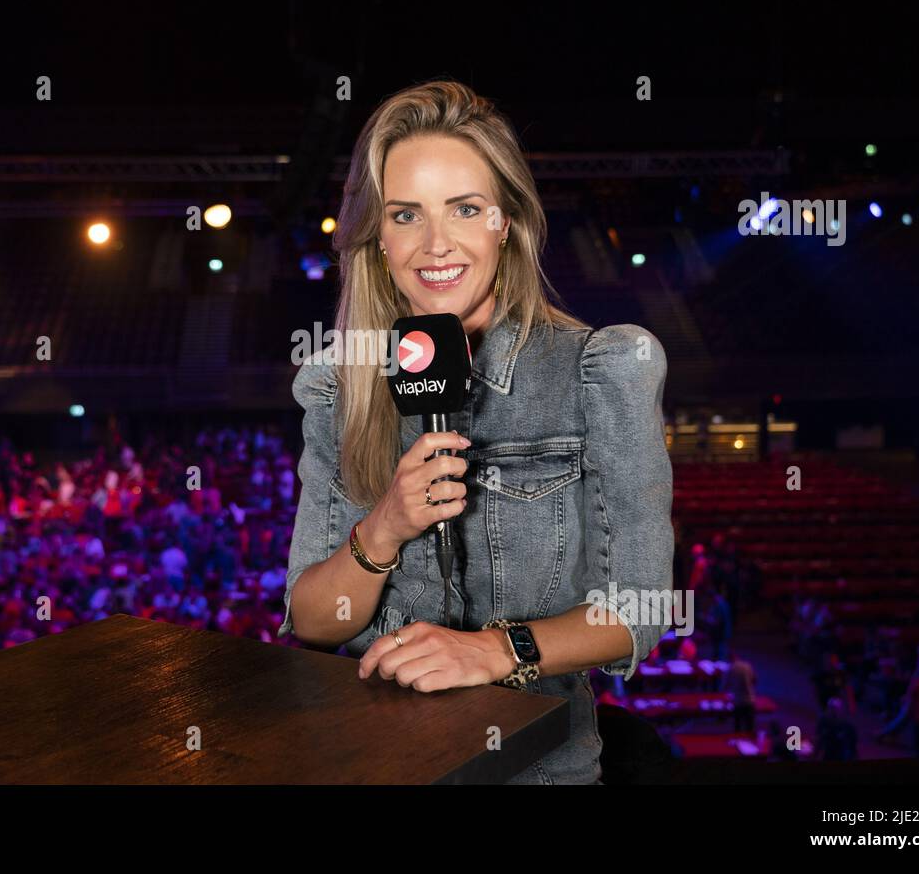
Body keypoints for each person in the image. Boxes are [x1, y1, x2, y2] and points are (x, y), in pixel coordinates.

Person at [279, 80, 674, 784]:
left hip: (537, 771)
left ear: (507, 221)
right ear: (378, 237)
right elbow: (313, 621)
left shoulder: (605, 368)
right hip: (374, 761)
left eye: (465, 208)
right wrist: (384, 528)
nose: (436, 245)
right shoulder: (339, 386)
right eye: (406, 215)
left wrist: (494, 651)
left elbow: (639, 610)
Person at [723, 648, 757, 733]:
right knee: (750, 726)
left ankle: (738, 743)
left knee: (737, 726)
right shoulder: (747, 665)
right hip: (750, 700)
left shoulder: (731, 668)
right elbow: (755, 680)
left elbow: (726, 685)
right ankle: (750, 743)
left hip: (738, 701)